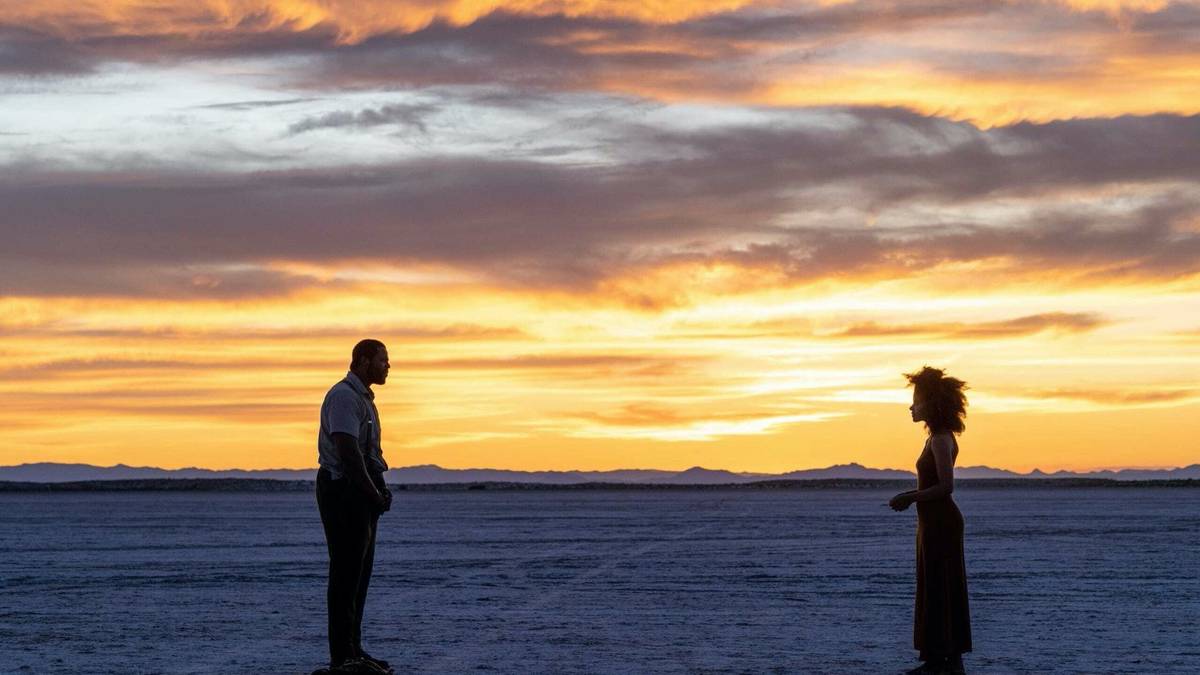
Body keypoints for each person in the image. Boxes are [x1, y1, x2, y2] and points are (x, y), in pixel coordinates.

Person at [316, 339, 394, 674]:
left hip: (360, 494)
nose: (388, 366)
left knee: (359, 576)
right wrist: (372, 493)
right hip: (342, 492)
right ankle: (342, 655)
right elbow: (348, 451)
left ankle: (354, 649)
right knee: (346, 574)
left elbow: (369, 454)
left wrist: (380, 488)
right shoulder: (344, 397)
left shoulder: (365, 399)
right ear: (363, 361)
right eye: (382, 360)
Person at [889, 366, 972, 675]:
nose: (912, 406)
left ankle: (946, 660)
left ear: (932, 404)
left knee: (942, 586)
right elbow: (931, 487)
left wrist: (909, 497)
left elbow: (946, 487)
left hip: (942, 522)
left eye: (917, 400)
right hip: (930, 523)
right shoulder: (933, 439)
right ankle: (941, 659)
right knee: (934, 585)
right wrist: (909, 495)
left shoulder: (940, 440)